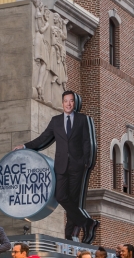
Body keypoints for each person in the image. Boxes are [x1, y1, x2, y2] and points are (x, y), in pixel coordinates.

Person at [20, 90, 97, 242]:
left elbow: (88, 142)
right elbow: (44, 138)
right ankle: (87, 223)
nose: (68, 104)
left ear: (75, 103)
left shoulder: (83, 119)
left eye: (71, 101)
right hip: (61, 166)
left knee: (74, 201)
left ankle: (70, 235)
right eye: (66, 101)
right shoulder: (56, 121)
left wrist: (86, 162)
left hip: (77, 165)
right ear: (62, 103)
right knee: (60, 196)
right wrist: (24, 146)